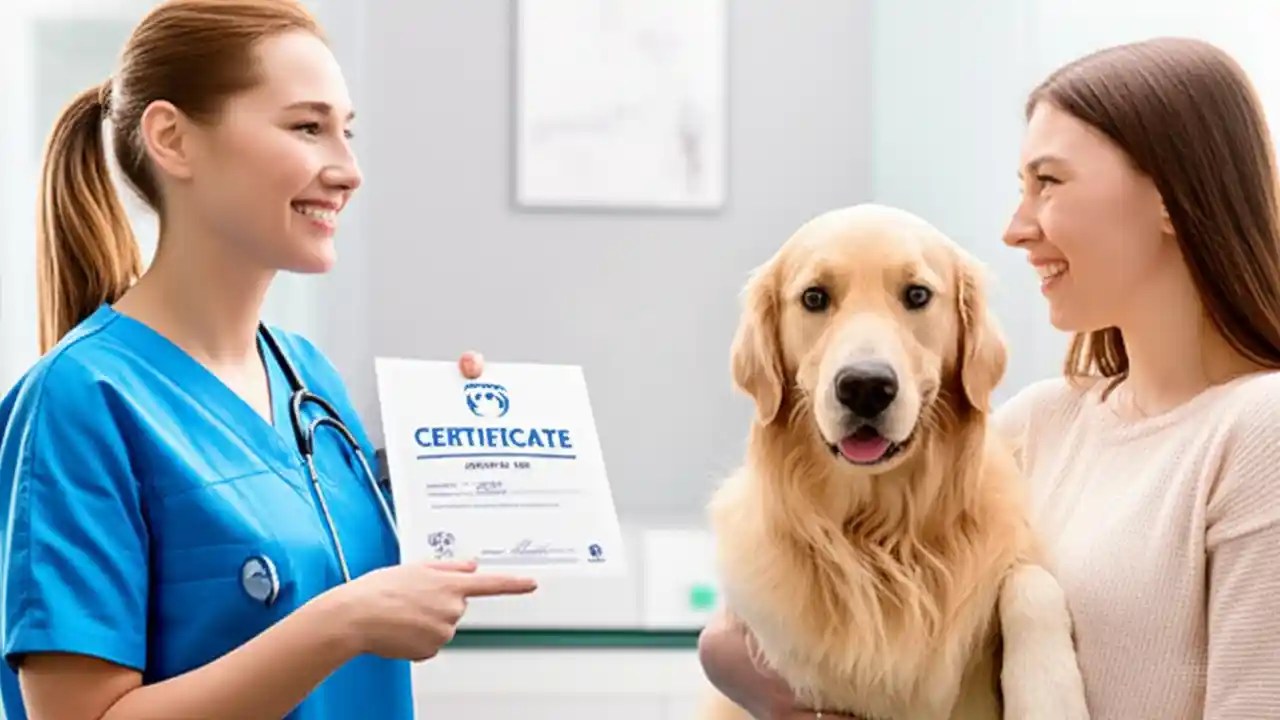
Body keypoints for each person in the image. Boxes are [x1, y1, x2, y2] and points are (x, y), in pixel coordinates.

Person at [698, 36, 1280, 719]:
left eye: (1049, 183)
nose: (1015, 228)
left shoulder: (1257, 430)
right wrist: (725, 656)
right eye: (1020, 189)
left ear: (1171, 198)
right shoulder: (1035, 425)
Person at [0, 1, 537, 718]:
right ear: (173, 139)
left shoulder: (305, 377)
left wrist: (460, 447)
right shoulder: (77, 400)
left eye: (347, 133)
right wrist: (343, 623)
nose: (348, 171)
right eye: (307, 127)